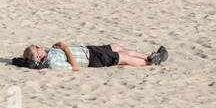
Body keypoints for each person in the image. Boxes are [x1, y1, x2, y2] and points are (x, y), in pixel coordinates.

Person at [15, 40, 168, 70]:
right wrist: (65, 49)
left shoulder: (48, 54)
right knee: (124, 58)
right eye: (36, 48)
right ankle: (151, 62)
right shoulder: (53, 62)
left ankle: (149, 56)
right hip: (93, 59)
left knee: (119, 47)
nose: (38, 45)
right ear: (38, 55)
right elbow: (74, 67)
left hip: (89, 50)